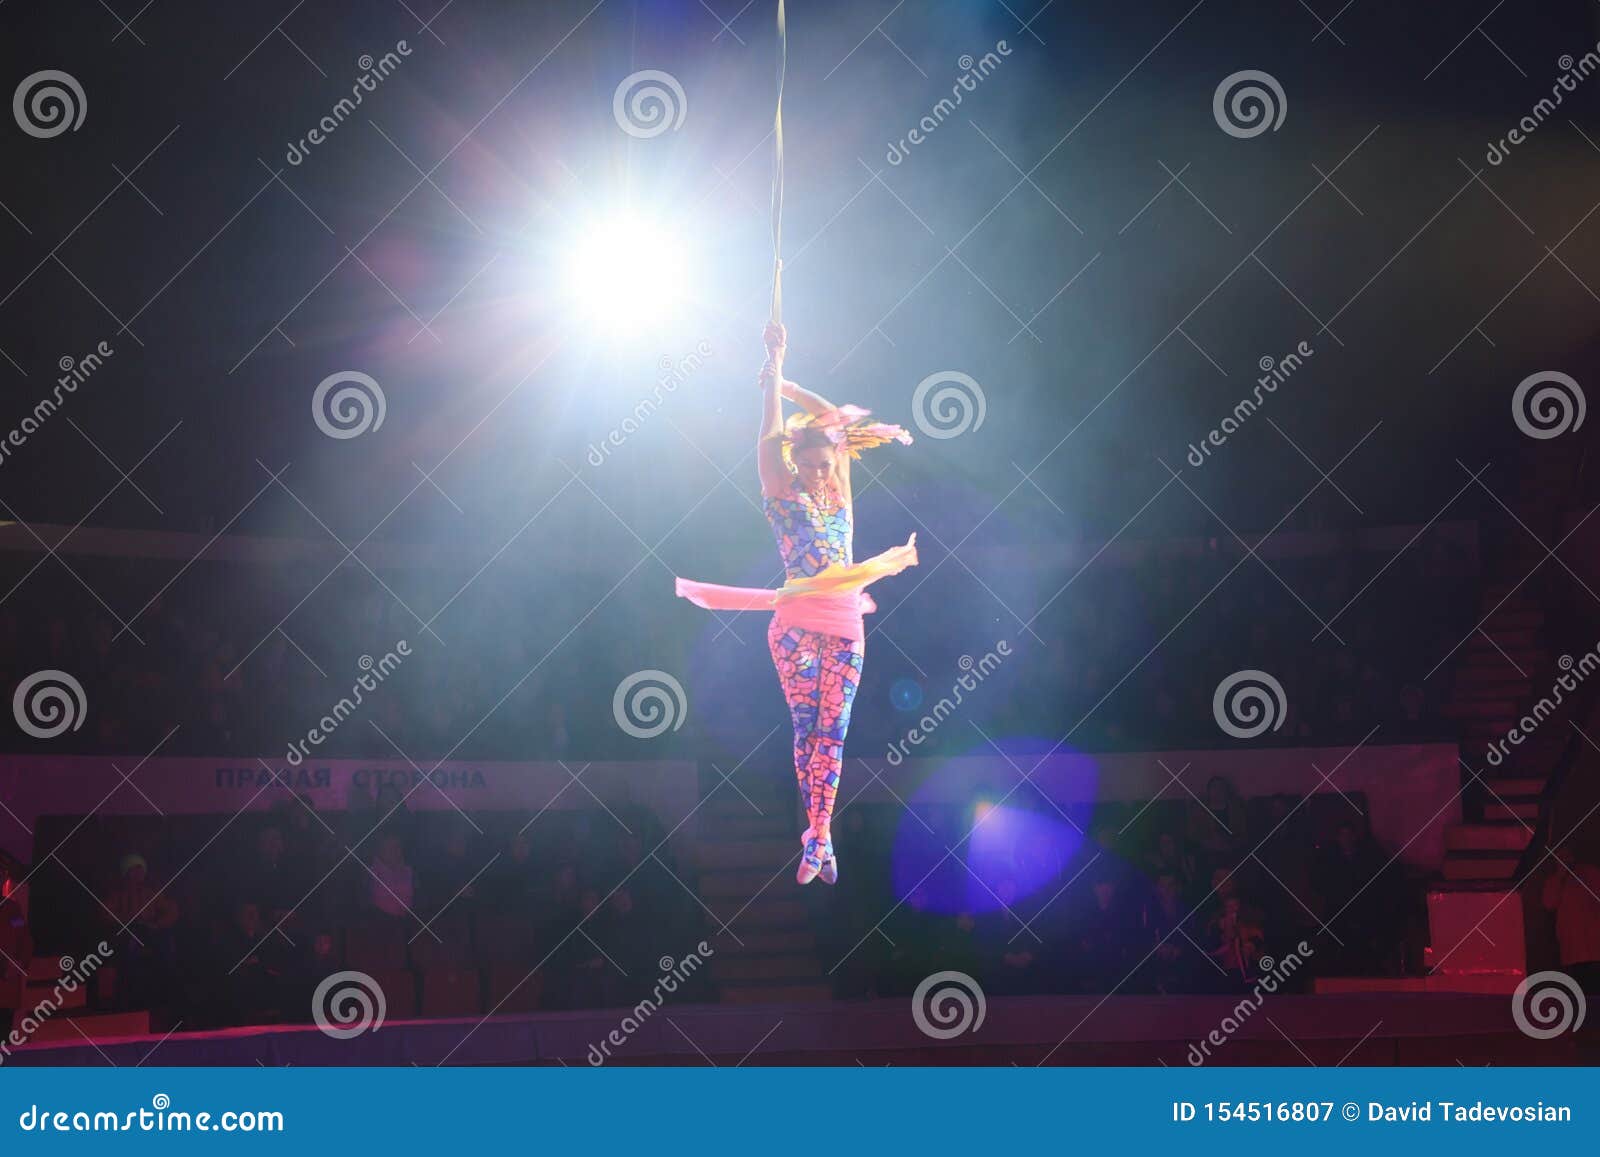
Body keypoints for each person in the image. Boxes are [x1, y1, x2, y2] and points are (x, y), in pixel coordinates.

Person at [675, 322, 918, 884]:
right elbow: (767, 439)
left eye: (822, 464)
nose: (815, 472)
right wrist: (771, 379)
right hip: (794, 624)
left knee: (834, 732)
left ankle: (820, 838)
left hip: (843, 622)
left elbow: (831, 415)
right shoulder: (781, 491)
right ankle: (818, 837)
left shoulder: (842, 494)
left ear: (833, 462)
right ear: (792, 462)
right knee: (807, 729)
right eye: (806, 464)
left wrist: (789, 381)